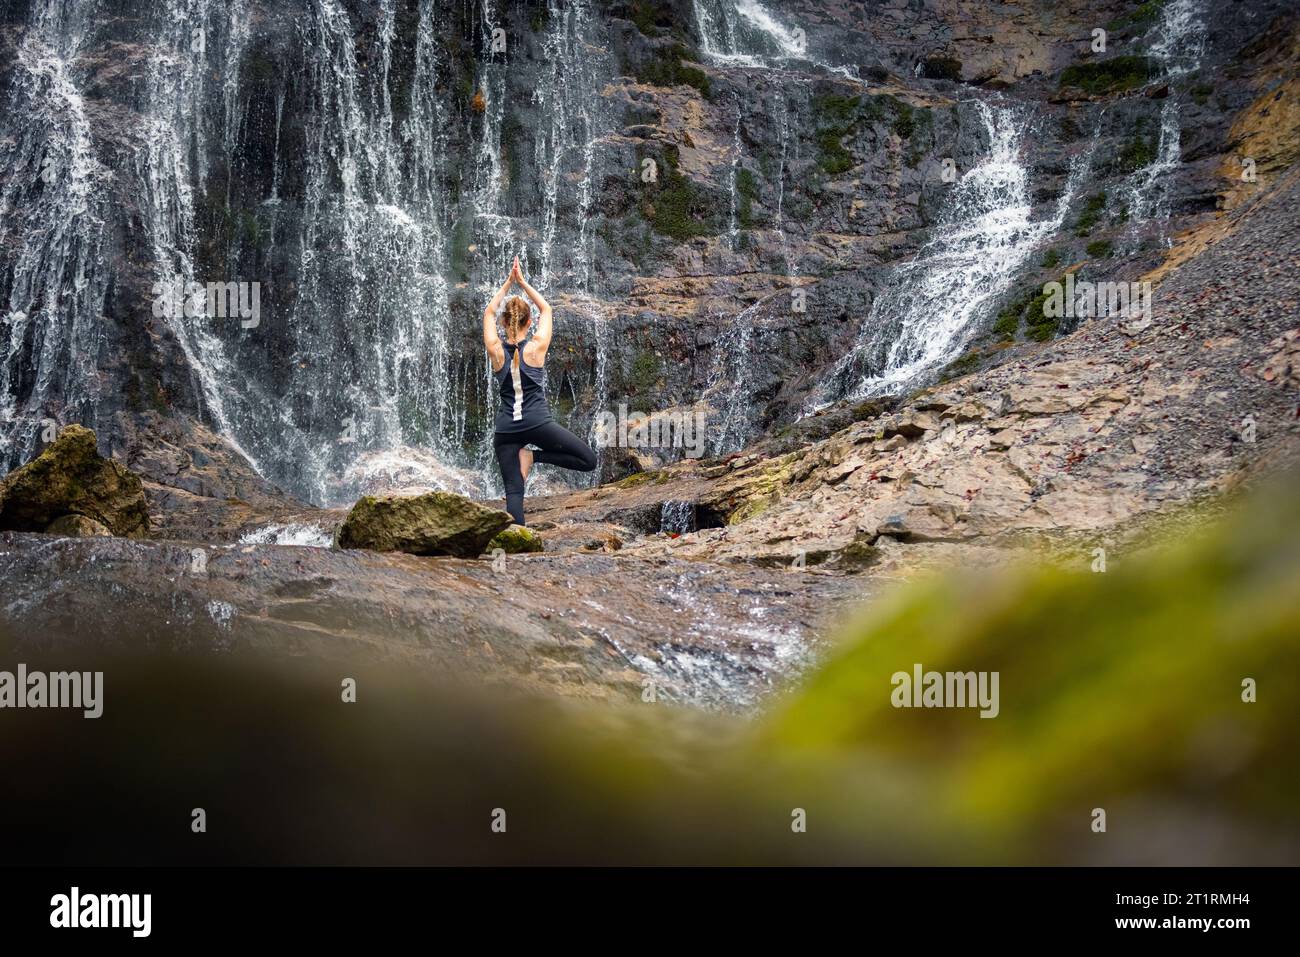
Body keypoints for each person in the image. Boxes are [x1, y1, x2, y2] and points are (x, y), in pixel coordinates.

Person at [483, 256, 596, 526]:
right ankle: (533, 456)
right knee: (588, 460)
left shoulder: (495, 350)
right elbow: (546, 309)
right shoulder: (535, 348)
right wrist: (522, 282)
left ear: (502, 322)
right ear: (528, 320)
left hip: (506, 430)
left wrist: (508, 283)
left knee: (514, 492)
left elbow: (488, 312)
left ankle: (514, 550)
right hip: (537, 425)